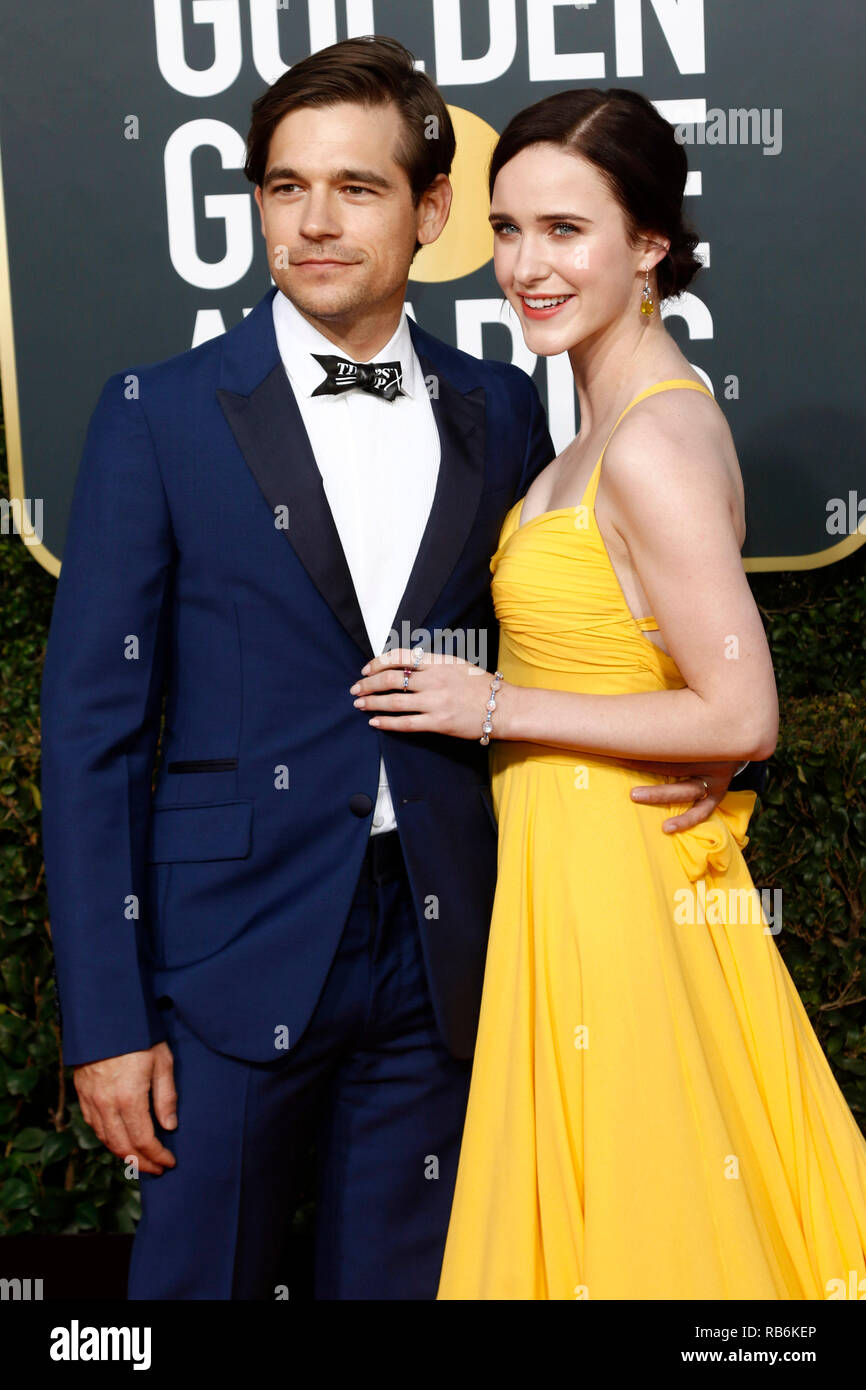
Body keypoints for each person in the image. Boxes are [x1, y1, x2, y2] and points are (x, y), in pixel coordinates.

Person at [41, 42, 759, 1301]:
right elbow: (89, 732)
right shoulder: (157, 412)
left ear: (430, 214)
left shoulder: (503, 407)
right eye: (284, 187)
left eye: (356, 189)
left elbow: (586, 629)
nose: (314, 223)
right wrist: (107, 1021)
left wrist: (698, 743)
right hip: (228, 955)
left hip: (454, 948)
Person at [354, 87, 866, 1300]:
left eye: (565, 230)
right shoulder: (597, 424)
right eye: (507, 229)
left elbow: (740, 715)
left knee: (650, 1223)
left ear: (647, 245)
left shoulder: (650, 443)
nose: (524, 266)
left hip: (617, 890)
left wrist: (490, 707)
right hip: (569, 873)